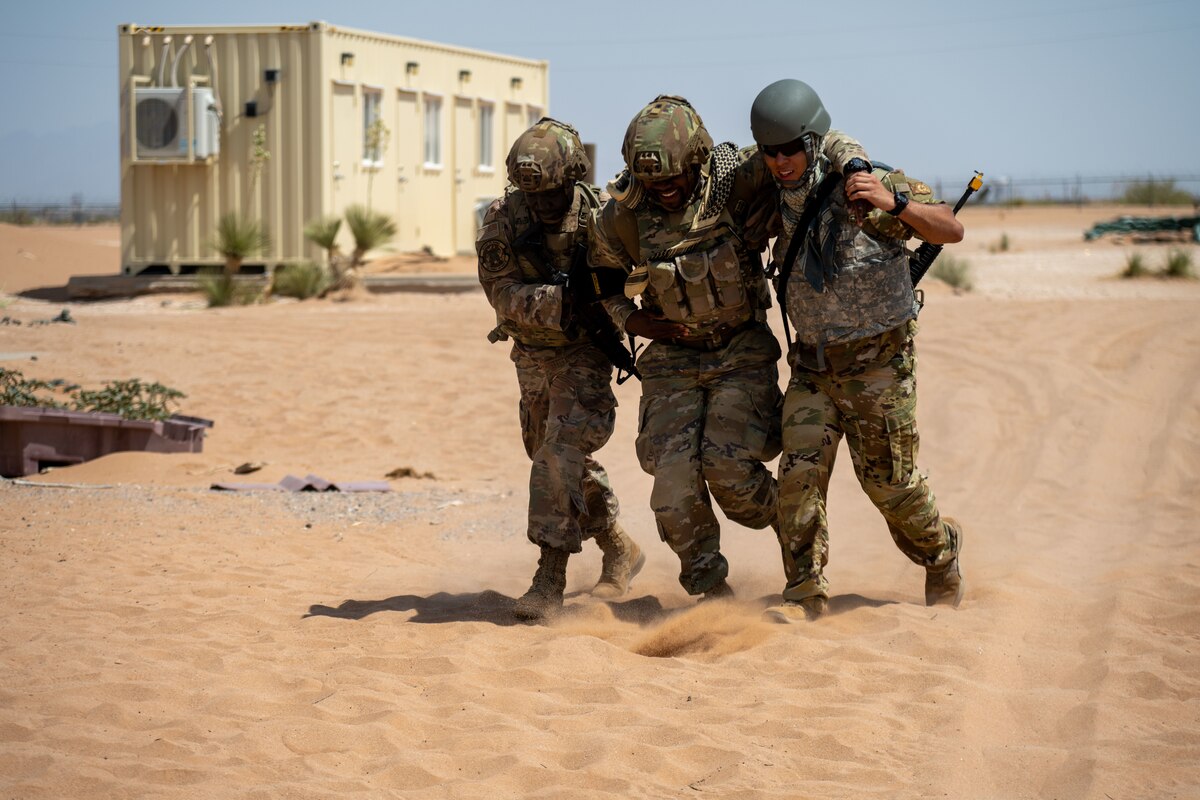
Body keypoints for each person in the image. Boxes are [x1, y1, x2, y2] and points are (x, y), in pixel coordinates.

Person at [588, 95, 868, 601]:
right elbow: (602, 279)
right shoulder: (622, 216)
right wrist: (632, 319)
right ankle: (710, 590)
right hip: (672, 361)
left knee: (730, 472)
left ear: (697, 159)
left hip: (740, 350)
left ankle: (795, 527)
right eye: (652, 182)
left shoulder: (737, 177)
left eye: (674, 179)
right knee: (672, 490)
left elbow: (815, 141)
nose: (664, 190)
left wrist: (854, 164)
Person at [748, 79, 966, 623]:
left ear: (812, 140)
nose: (780, 162)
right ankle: (804, 593)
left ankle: (940, 552)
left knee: (891, 488)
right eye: (770, 152)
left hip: (879, 370)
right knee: (797, 482)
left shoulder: (866, 184)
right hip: (813, 370)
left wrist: (894, 203)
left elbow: (950, 227)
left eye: (790, 149)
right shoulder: (770, 194)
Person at [476, 117, 643, 622]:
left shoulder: (601, 215)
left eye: (552, 193)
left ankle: (549, 577)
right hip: (532, 354)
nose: (544, 204)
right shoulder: (503, 219)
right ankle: (618, 546)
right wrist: (565, 301)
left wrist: (614, 306)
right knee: (551, 457)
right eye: (534, 195)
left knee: (558, 453)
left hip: (586, 353)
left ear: (572, 177)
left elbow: (629, 280)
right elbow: (502, 296)